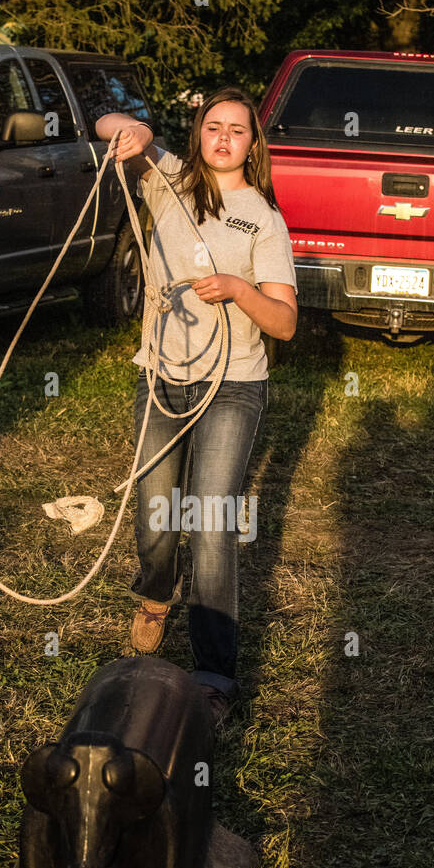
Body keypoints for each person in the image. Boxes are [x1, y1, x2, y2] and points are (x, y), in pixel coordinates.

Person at [94, 88, 297, 729]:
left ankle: (213, 674)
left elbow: (286, 323)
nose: (224, 137)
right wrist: (130, 128)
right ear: (198, 132)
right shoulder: (168, 181)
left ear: (252, 144)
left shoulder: (263, 218)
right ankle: (156, 591)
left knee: (210, 524)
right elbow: (105, 121)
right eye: (214, 126)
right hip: (162, 377)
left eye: (238, 129)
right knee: (155, 522)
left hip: (233, 383)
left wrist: (239, 289)